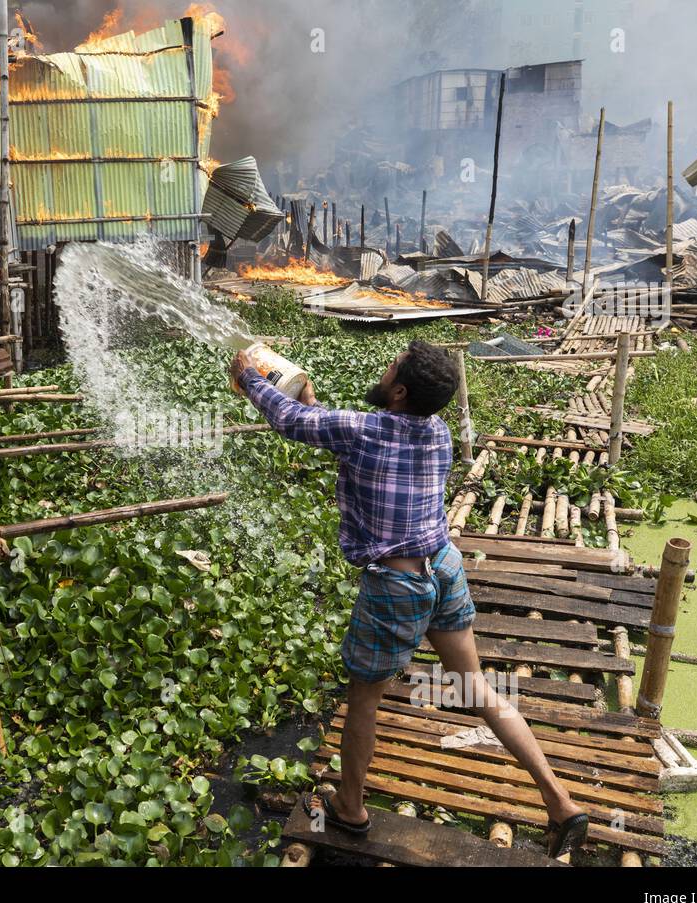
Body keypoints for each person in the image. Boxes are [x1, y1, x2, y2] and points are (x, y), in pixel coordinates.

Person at [230, 340, 590, 858]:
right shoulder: (436, 431)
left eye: (390, 366)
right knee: (477, 687)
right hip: (443, 567)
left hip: (397, 585)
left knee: (364, 701)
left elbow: (291, 422)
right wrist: (311, 401)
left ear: (398, 390)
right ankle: (560, 802)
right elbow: (338, 432)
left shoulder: (362, 430)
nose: (384, 369)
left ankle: (350, 808)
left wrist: (250, 376)